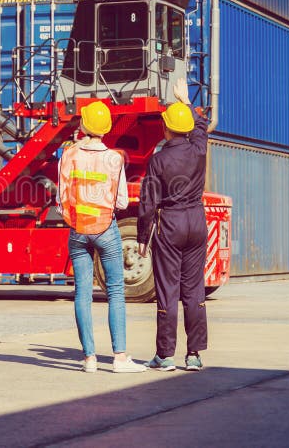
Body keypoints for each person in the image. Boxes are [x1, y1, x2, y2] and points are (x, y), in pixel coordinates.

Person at [58, 100, 147, 374]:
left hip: (78, 230)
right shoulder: (115, 158)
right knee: (115, 291)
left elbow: (61, 200)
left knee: (82, 294)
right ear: (107, 129)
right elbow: (121, 202)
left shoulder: (68, 154)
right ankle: (119, 358)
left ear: (83, 125)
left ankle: (89, 359)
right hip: (106, 229)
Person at [137, 86, 209, 372]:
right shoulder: (199, 150)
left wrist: (143, 236)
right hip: (196, 221)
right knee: (194, 291)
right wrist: (187, 101)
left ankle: (165, 355)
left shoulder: (158, 161)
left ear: (165, 128)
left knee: (169, 290)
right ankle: (194, 355)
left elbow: (148, 202)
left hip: (171, 223)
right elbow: (202, 126)